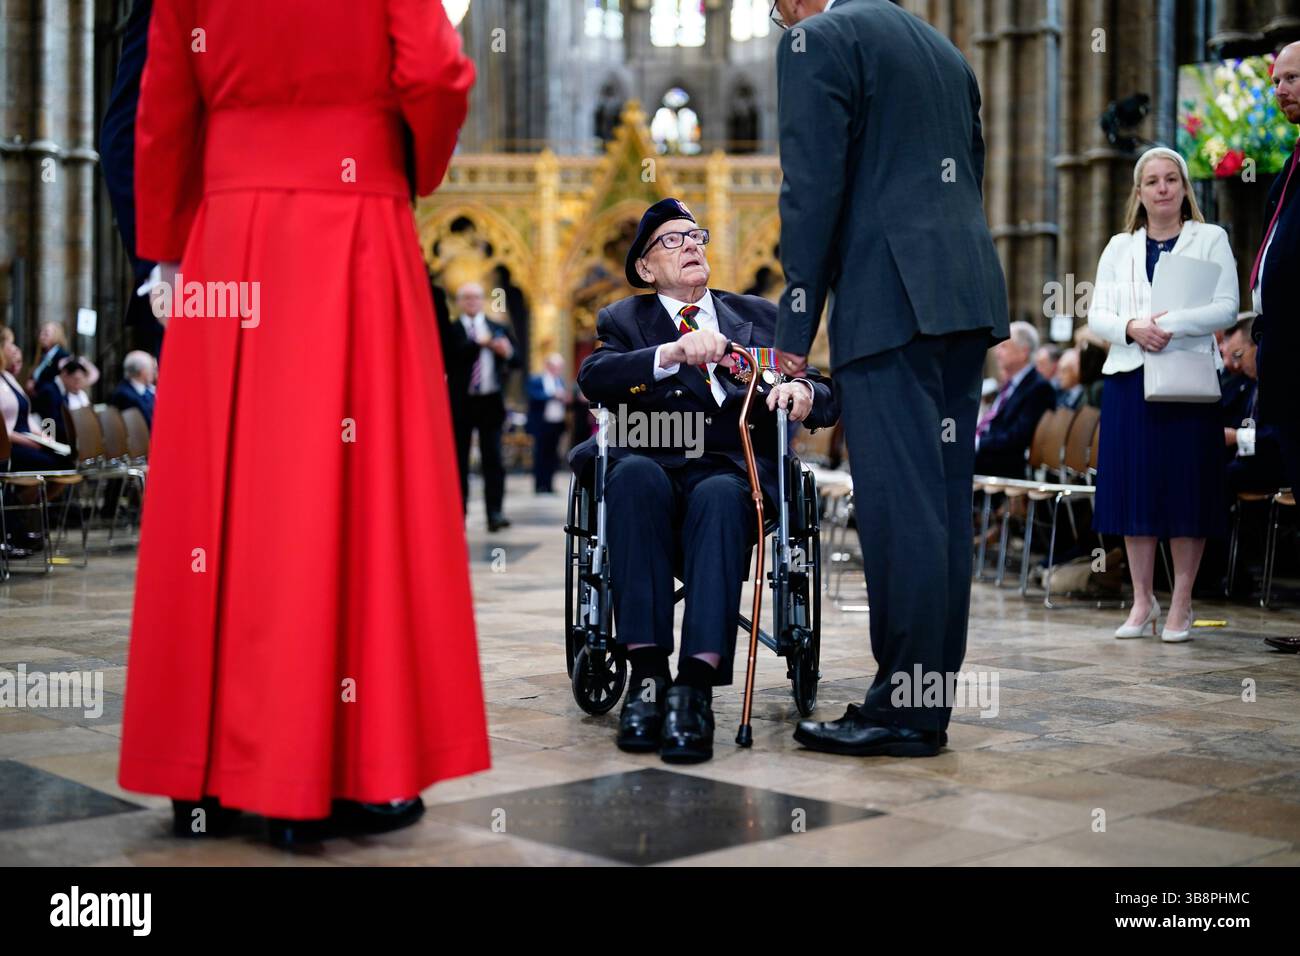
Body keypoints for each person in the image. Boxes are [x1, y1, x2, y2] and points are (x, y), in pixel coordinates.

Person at [117, 0, 489, 847]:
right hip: (355, 223)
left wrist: (170, 246)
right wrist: (410, 165)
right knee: (350, 494)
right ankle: (341, 768)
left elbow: (164, 99)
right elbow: (433, 71)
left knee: (224, 500)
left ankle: (204, 774)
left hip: (229, 230)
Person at [770, 0, 1009, 757]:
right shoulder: (945, 49)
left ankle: (902, 711)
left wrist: (792, 332)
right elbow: (963, 169)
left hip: (891, 296)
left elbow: (811, 191)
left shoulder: (818, 39)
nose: (779, 22)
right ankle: (923, 698)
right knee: (938, 508)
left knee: (900, 511)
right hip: (964, 294)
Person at [572, 198, 839, 763]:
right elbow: (594, 379)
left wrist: (804, 393)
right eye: (673, 240)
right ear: (646, 268)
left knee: (720, 495)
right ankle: (647, 674)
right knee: (635, 477)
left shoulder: (758, 316)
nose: (691, 245)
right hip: (651, 471)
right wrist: (668, 353)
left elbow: (823, 386)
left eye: (697, 236)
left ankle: (694, 683)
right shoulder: (625, 321)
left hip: (733, 470)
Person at [1087, 146, 1239, 643]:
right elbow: (1098, 316)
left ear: (1184, 186)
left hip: (1187, 378)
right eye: (1152, 181)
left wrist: (1167, 325)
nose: (1162, 188)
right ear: (1140, 192)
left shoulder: (1210, 238)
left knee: (1185, 489)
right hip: (1130, 377)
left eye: (1171, 179)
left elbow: (1228, 307)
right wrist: (1132, 328)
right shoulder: (1118, 247)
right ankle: (1141, 599)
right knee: (1136, 491)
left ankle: (1181, 602)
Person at [442, 281, 520, 531]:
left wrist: (505, 351)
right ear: (460, 302)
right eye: (467, 298)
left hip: (490, 401)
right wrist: (479, 344)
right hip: (461, 402)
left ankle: (495, 513)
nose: (472, 302)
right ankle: (457, 513)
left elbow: (517, 360)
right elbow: (449, 358)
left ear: (482, 300)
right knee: (459, 461)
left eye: (476, 298)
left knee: (494, 459)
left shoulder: (497, 328)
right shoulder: (452, 331)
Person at [974, 321, 1057, 478]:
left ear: (1023, 352)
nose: (997, 352)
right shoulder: (1012, 385)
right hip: (989, 455)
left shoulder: (1038, 388)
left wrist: (978, 444)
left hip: (1003, 464)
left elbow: (1016, 438)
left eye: (1004, 346)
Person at [525, 353, 571, 494]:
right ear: (549, 366)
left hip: (556, 423)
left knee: (552, 455)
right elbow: (533, 395)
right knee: (540, 454)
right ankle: (540, 485)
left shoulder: (560, 381)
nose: (559, 369)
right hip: (541, 423)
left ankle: (549, 484)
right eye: (557, 366)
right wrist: (552, 395)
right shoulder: (537, 380)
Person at [32, 357, 92, 448]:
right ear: (64, 374)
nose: (78, 384)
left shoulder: (62, 391)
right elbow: (50, 424)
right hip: (44, 439)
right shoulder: (50, 391)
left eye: (80, 380)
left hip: (57, 437)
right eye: (75, 379)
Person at [109, 351, 158, 427]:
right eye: (152, 368)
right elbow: (145, 424)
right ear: (142, 371)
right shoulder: (123, 395)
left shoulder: (148, 389)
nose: (154, 372)